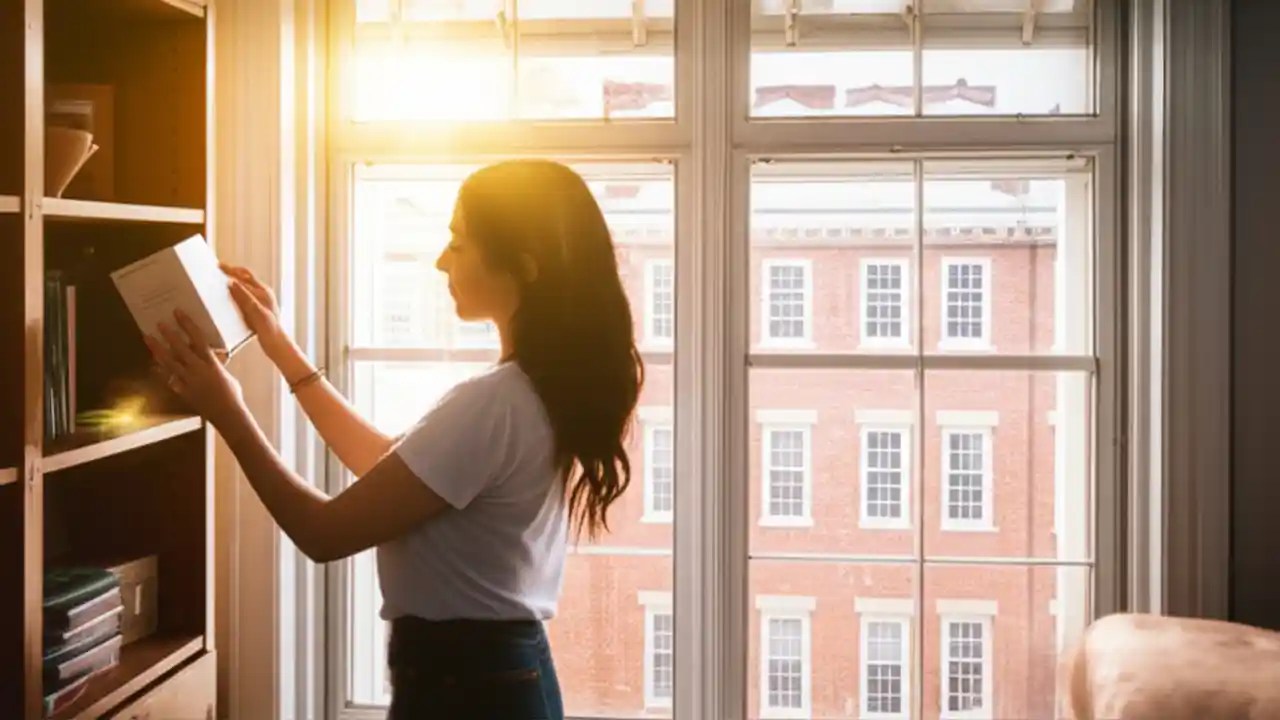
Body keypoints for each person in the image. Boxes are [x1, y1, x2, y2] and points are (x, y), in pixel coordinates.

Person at [145, 160, 644, 720]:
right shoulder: (531, 391)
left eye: (458, 243)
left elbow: (324, 532)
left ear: (524, 266)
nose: (440, 261)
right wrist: (280, 347)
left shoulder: (495, 402)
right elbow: (386, 467)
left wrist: (228, 411)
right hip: (493, 677)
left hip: (468, 687)